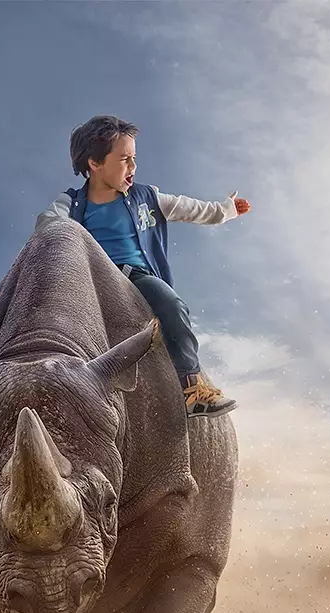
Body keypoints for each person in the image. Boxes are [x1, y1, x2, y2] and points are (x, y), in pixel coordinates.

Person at [36, 115, 251, 418]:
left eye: (134, 158)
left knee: (173, 306)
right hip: (91, 283)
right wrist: (54, 231)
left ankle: (192, 387)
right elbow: (48, 224)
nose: (133, 167)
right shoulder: (72, 204)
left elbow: (192, 208)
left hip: (135, 278)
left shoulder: (147, 198)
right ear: (95, 164)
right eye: (124, 159)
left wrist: (226, 210)